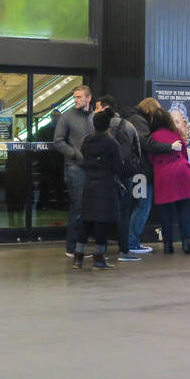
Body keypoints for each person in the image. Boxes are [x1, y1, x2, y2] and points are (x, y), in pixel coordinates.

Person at [71, 107, 125, 270]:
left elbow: (82, 159)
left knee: (86, 221)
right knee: (102, 223)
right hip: (105, 186)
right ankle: (99, 258)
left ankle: (78, 257)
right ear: (108, 125)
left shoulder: (86, 141)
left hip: (89, 184)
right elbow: (117, 167)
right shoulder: (111, 143)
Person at [94, 95, 143, 263]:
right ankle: (124, 250)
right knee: (124, 214)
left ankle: (101, 250)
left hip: (103, 176)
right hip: (124, 175)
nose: (96, 110)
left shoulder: (98, 126)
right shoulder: (127, 125)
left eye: (98, 107)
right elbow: (137, 150)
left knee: (102, 213)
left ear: (105, 108)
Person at [125, 98, 176, 253]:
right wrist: (170, 147)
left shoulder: (131, 118)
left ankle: (131, 242)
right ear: (150, 110)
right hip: (141, 172)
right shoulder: (139, 121)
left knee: (137, 206)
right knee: (142, 206)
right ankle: (132, 243)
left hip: (135, 171)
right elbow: (146, 144)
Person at [148, 107, 190, 254]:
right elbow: (184, 153)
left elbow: (151, 158)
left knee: (166, 212)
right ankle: (186, 242)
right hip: (181, 172)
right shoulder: (176, 133)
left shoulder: (153, 137)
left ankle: (168, 245)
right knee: (184, 210)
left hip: (163, 175)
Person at [53, 85, 92, 265]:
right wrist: (75, 154)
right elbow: (58, 142)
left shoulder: (94, 117)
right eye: (74, 97)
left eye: (79, 97)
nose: (75, 100)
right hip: (74, 167)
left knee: (87, 207)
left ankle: (81, 245)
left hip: (93, 168)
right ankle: (72, 247)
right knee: (77, 207)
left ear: (88, 98)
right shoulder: (67, 117)